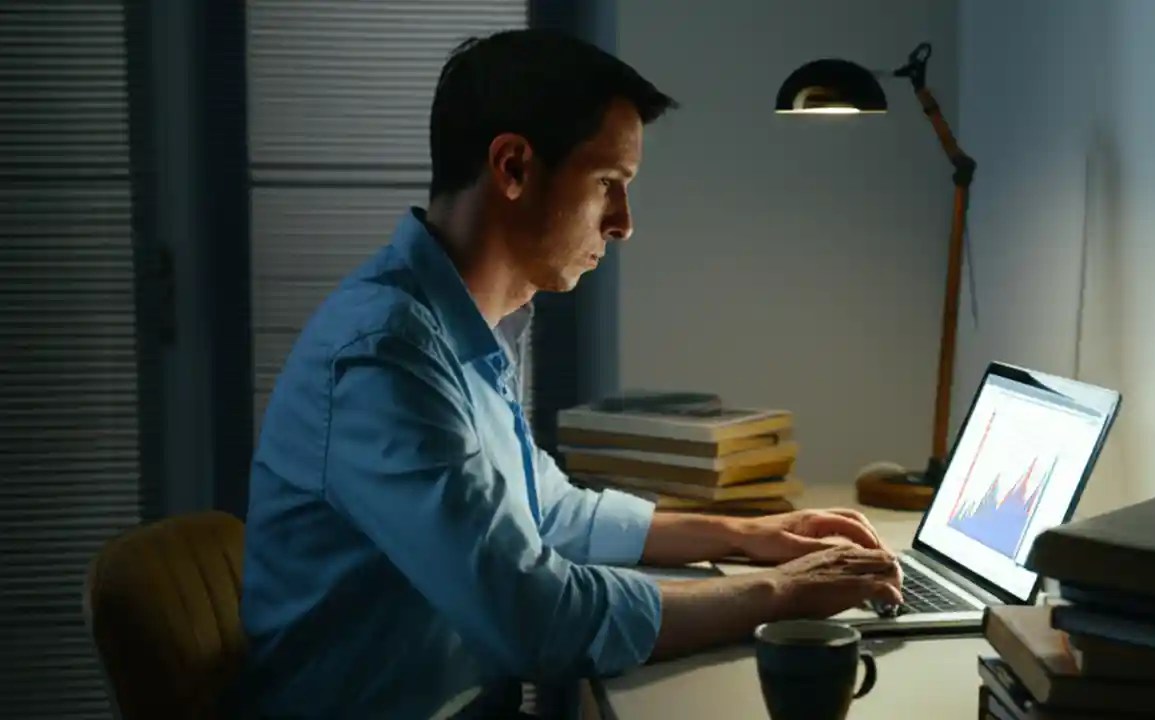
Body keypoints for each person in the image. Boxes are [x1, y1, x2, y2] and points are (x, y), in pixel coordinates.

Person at [235, 28, 903, 719]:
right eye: (609, 184)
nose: (624, 223)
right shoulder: (386, 356)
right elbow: (535, 618)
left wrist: (744, 536)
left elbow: (547, 511)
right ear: (514, 167)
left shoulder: (464, 326)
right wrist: (784, 594)